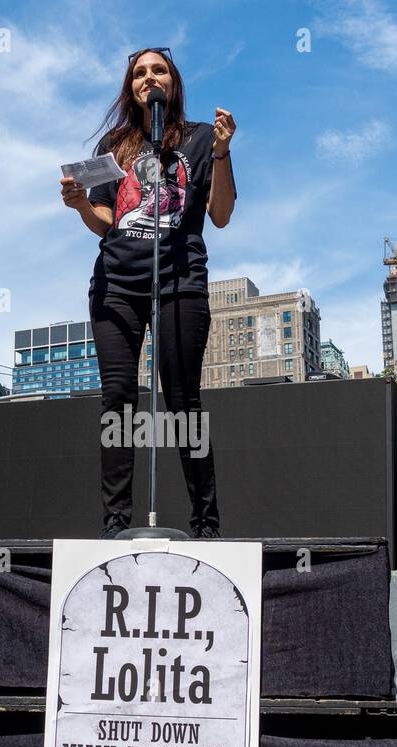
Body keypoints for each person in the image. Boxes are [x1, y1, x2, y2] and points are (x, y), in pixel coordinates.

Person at [60, 47, 237, 540]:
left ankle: (206, 523)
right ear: (131, 87)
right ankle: (116, 524)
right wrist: (79, 204)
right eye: (140, 72)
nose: (149, 78)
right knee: (118, 400)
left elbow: (220, 214)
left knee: (182, 400)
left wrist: (222, 152)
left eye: (158, 70)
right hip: (117, 283)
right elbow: (105, 222)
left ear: (173, 82)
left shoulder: (203, 139)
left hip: (180, 281)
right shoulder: (114, 145)